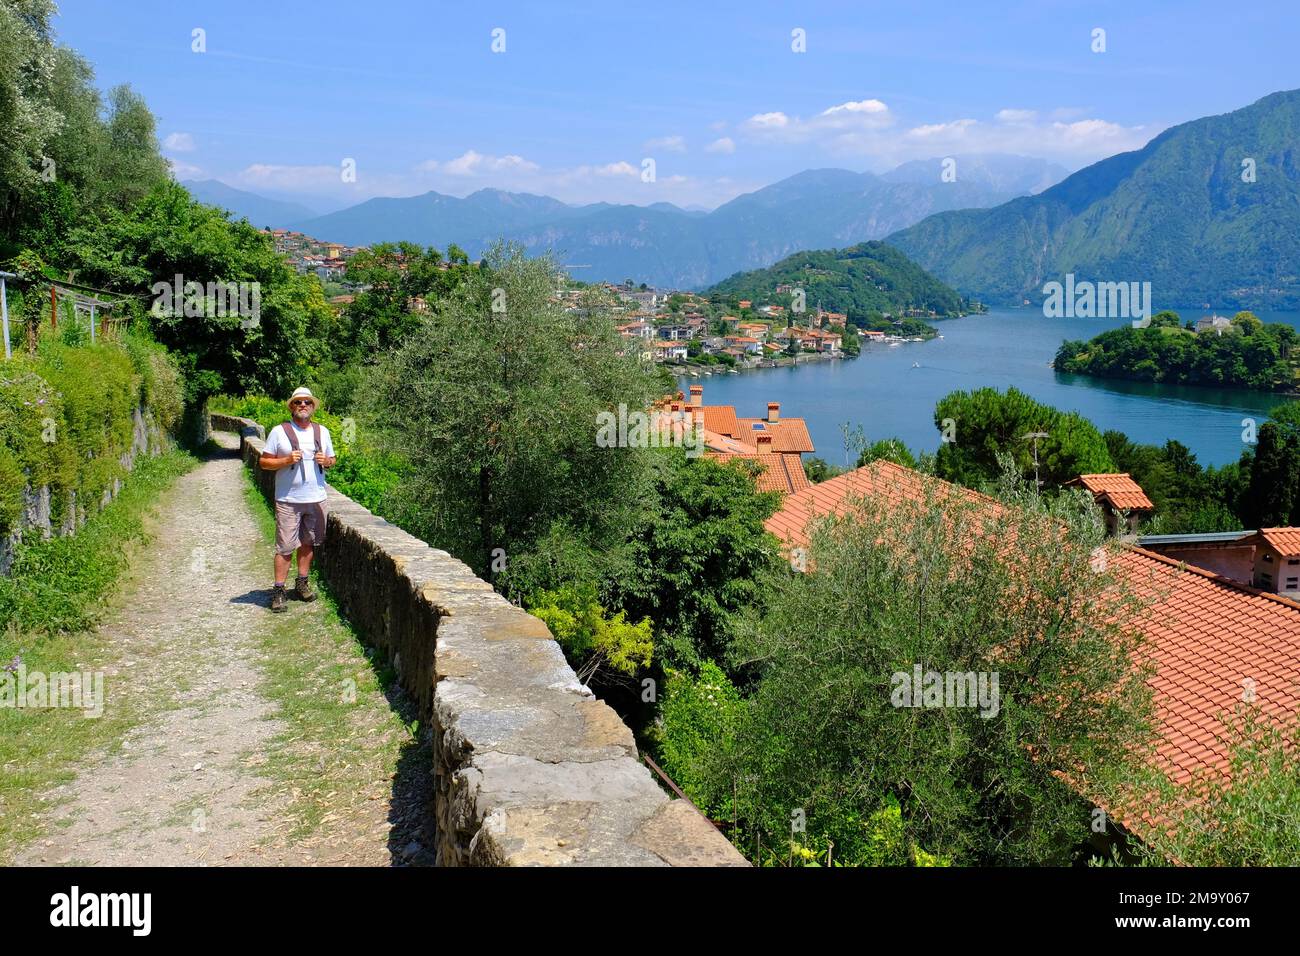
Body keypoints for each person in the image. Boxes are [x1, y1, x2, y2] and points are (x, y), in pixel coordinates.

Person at [258, 388, 336, 612]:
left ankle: (302, 583)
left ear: (312, 407)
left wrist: (327, 461)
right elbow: (264, 463)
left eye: (307, 402)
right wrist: (285, 460)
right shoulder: (279, 432)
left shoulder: (323, 432)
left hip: (316, 498)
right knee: (284, 547)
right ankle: (279, 591)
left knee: (308, 543)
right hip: (288, 499)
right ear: (292, 406)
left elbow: (333, 459)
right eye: (298, 402)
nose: (303, 405)